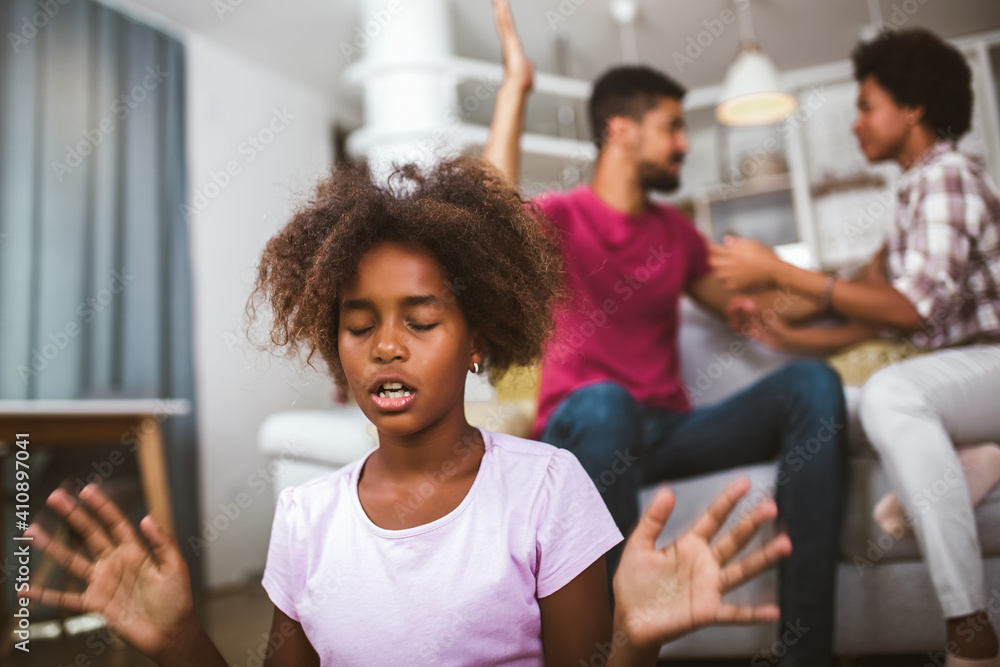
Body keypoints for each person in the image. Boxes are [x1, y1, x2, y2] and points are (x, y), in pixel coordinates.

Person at [23, 156, 792, 666]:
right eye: (360, 326)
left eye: (420, 322)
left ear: (477, 340)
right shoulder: (305, 516)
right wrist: (181, 638)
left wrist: (636, 644)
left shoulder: (549, 488)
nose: (386, 346)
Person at [483, 1, 847, 664]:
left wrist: (843, 308)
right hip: (584, 427)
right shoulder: (561, 216)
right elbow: (489, 214)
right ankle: (615, 648)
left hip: (665, 430)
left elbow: (758, 309)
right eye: (673, 127)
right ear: (621, 130)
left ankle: (806, 653)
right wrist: (516, 87)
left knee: (813, 386)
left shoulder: (675, 233)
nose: (685, 143)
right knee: (605, 401)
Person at [710, 28, 1000, 667]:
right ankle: (973, 458)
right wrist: (784, 331)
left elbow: (912, 306)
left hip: (989, 364)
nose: (857, 125)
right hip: (960, 379)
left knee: (894, 392)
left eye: (867, 106)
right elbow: (868, 304)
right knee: (833, 405)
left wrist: (781, 271)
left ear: (914, 107)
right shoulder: (912, 194)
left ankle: (972, 630)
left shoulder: (947, 177)